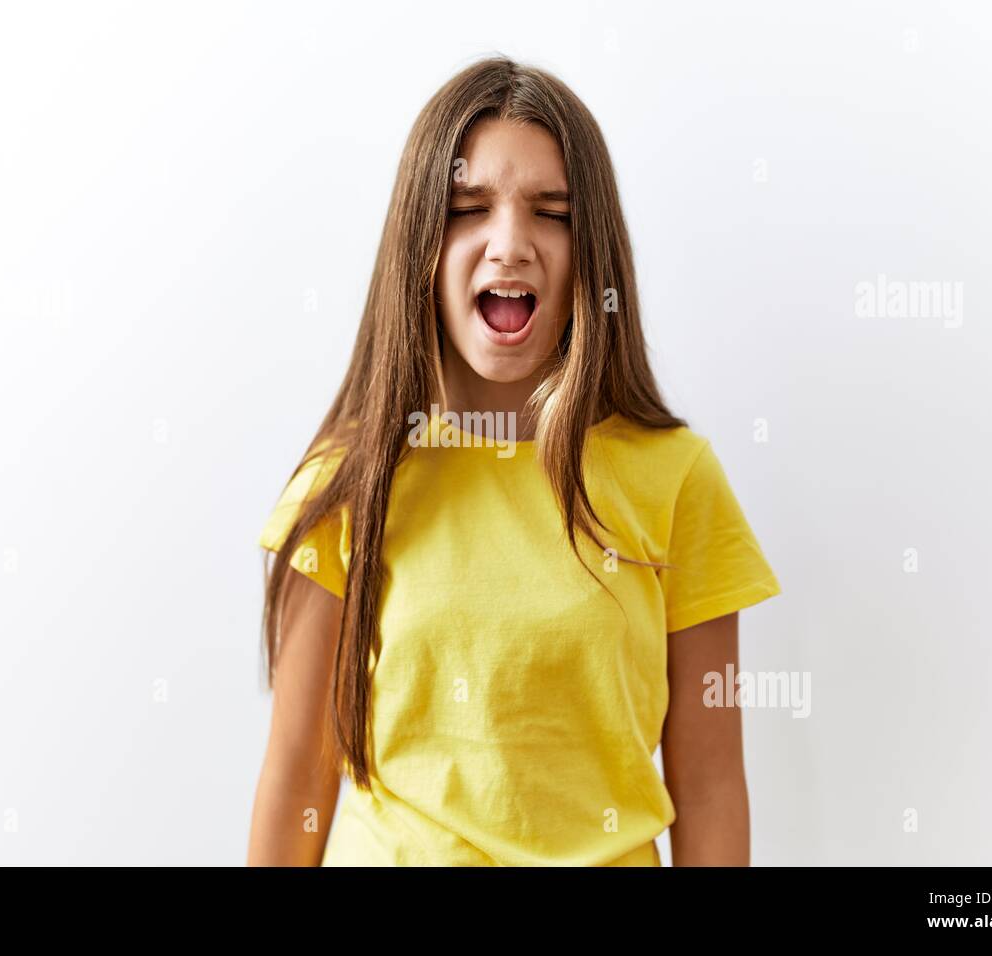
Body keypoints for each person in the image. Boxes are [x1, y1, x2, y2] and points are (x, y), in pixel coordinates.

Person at [247, 55, 781, 866]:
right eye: (469, 208)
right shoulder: (345, 485)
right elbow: (297, 786)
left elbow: (710, 789)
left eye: (552, 212)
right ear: (420, 244)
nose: (510, 245)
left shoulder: (676, 480)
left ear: (590, 254)